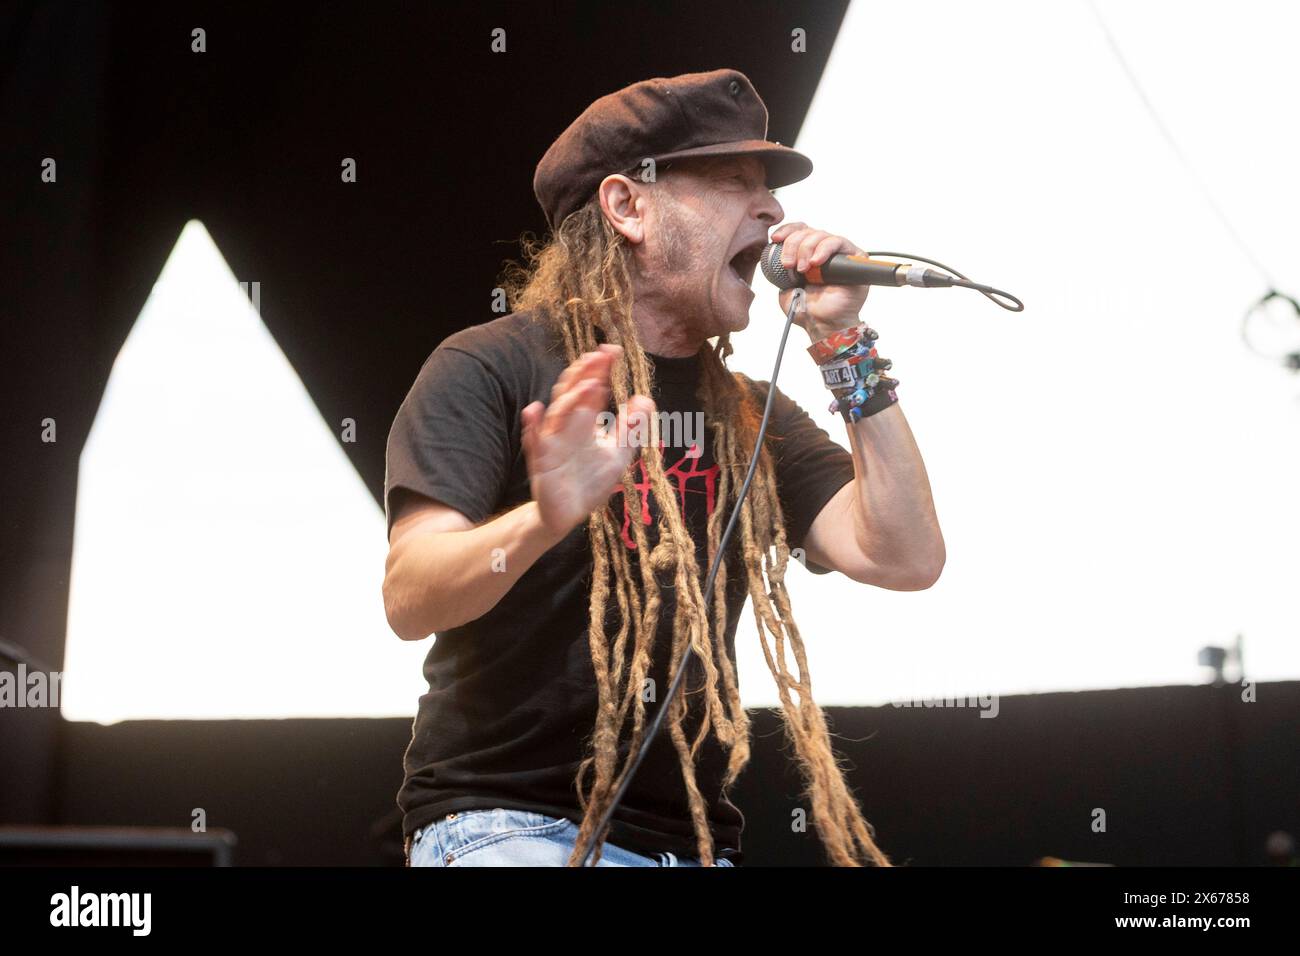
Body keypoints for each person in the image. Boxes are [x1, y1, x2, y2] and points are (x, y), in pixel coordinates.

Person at [382, 68, 945, 868]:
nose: (773, 210)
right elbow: (409, 596)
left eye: (770, 190)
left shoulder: (751, 413)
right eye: (733, 182)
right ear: (628, 206)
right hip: (508, 825)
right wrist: (544, 518)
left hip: (694, 845)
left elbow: (905, 556)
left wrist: (841, 344)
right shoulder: (490, 367)